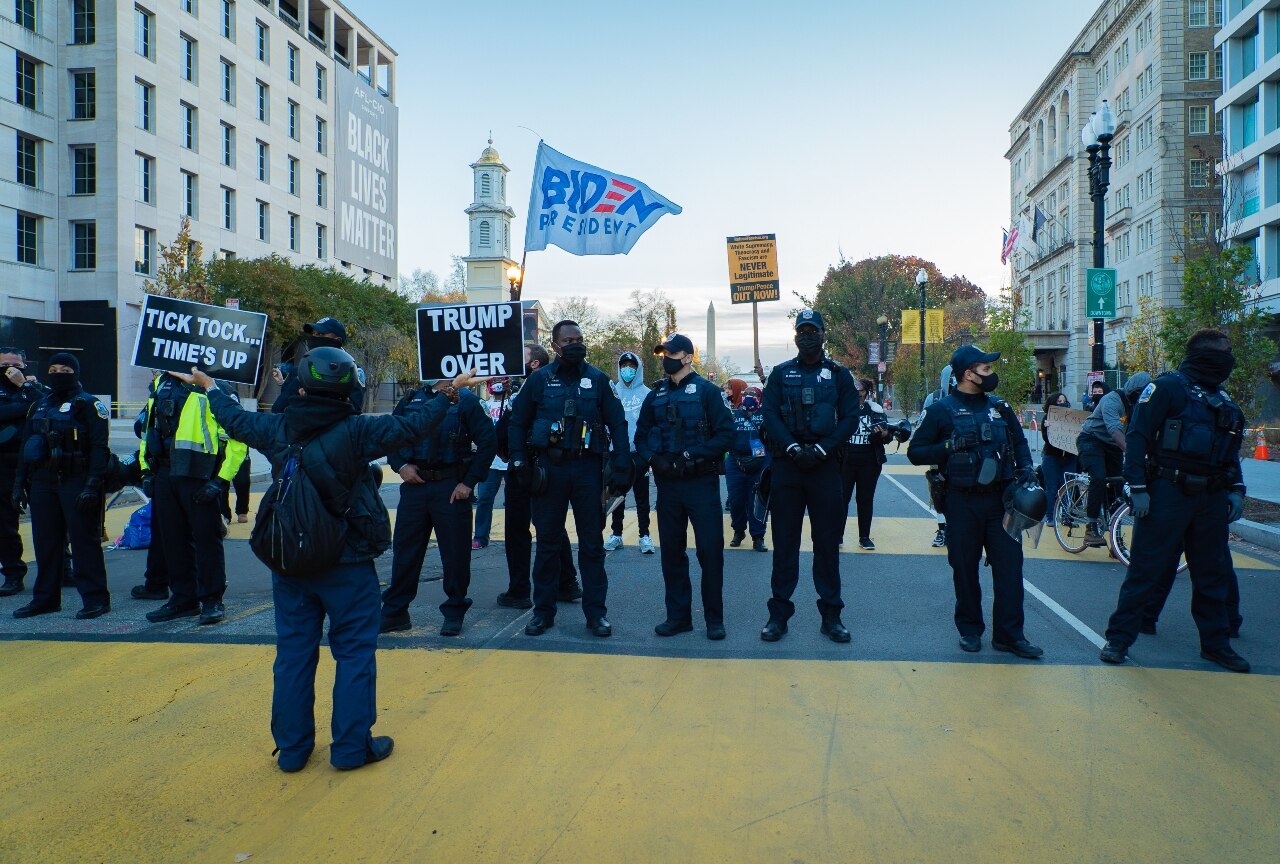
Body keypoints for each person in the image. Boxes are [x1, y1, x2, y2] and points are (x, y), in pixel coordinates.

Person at [176, 351, 477, 771]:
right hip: (347, 560)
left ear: (299, 388)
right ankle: (352, 749)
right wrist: (451, 390)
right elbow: (411, 425)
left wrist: (210, 386)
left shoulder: (276, 426)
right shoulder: (358, 432)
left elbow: (233, 419)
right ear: (349, 389)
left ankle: (293, 750)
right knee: (354, 654)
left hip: (291, 560)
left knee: (294, 655)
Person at [1099, 329, 1250, 672]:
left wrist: (1237, 490)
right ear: (1206, 355)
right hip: (1167, 492)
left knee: (1212, 574)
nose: (1229, 360)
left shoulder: (1225, 403)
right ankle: (1119, 640)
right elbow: (1137, 437)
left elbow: (1229, 455)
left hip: (1210, 497)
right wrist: (1136, 486)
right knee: (1147, 569)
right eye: (1224, 353)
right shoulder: (1166, 388)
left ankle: (1216, 644)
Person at [907, 345, 1044, 659]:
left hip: (1002, 502)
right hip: (961, 502)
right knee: (964, 569)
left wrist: (1027, 472)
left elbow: (1020, 443)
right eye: (984, 369)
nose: (990, 373)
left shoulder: (1001, 407)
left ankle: (1009, 636)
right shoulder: (941, 410)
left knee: (1010, 569)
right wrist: (948, 445)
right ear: (967, 374)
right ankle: (970, 630)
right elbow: (916, 452)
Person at [507, 321, 630, 637]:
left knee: (592, 545)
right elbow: (517, 423)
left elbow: (617, 423)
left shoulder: (598, 380)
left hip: (588, 471)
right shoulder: (539, 381)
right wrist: (520, 461)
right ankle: (543, 613)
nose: (576, 344)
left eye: (579, 339)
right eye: (568, 340)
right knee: (548, 543)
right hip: (550, 470)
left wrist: (622, 462)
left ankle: (596, 614)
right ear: (556, 344)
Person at [759, 309, 858, 644]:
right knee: (784, 543)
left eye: (812, 330)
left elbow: (850, 418)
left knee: (827, 545)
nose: (806, 335)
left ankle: (831, 616)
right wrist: (788, 448)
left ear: (822, 334)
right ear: (795, 336)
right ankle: (778, 616)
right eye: (801, 330)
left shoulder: (839, 375)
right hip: (787, 467)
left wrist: (823, 449)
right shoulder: (780, 374)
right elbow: (769, 413)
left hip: (825, 467)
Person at [634, 334, 734, 639]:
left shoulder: (707, 392)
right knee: (672, 554)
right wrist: (654, 459)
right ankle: (678, 617)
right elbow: (640, 437)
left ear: (688, 357)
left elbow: (726, 435)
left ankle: (714, 619)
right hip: (669, 487)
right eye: (663, 353)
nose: (666, 358)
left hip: (700, 483)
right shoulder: (656, 395)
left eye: (672, 353)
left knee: (710, 552)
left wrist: (693, 454)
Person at [380, 375, 495, 636]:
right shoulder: (411, 399)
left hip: (451, 486)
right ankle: (395, 612)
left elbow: (488, 443)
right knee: (405, 553)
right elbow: (392, 436)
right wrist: (400, 466)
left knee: (455, 554)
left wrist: (468, 483)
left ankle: (454, 610)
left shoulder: (467, 401)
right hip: (415, 485)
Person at [136, 371, 247, 625]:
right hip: (165, 474)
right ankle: (183, 600)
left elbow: (237, 439)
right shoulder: (160, 384)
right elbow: (148, 430)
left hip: (201, 476)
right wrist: (146, 470)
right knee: (172, 541)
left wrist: (220, 481)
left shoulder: (214, 388)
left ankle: (211, 600)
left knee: (207, 541)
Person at [10, 353, 111, 619]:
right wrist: (19, 485)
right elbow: (25, 448)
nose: (57, 373)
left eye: (64, 369)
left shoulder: (89, 405)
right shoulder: (40, 405)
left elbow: (100, 449)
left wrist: (92, 485)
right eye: (53, 369)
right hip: (43, 483)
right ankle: (45, 599)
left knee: (83, 543)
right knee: (46, 543)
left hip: (76, 481)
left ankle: (95, 599)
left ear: (75, 373)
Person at [496, 344, 583, 609]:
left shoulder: (536, 386)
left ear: (534, 364)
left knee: (519, 528)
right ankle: (566, 582)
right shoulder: (539, 384)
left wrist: (509, 450)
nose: (515, 361)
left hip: (528, 466)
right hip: (540, 465)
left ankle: (520, 589)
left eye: (522, 356)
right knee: (551, 526)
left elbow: (515, 424)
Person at [1075, 372, 1151, 547]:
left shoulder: (1137, 405)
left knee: (1118, 487)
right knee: (1099, 478)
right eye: (1139, 393)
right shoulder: (1112, 400)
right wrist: (1133, 454)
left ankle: (1115, 539)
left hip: (1112, 447)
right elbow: (1115, 429)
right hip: (1091, 440)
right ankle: (1091, 527)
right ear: (1132, 390)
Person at [0, 348, 44, 596]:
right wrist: (26, 404)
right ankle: (13, 574)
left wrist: (26, 390)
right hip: (4, 463)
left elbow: (46, 406)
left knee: (49, 518)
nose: (10, 370)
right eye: (5, 365)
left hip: (36, 463)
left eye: (15, 365)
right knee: (5, 522)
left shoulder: (35, 387)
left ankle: (63, 569)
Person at [605, 351, 654, 554]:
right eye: (624, 366)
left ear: (638, 368)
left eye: (632, 366)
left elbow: (652, 425)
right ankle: (617, 534)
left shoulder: (647, 394)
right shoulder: (612, 392)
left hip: (638, 454)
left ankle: (645, 535)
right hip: (617, 453)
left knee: (642, 498)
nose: (627, 370)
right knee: (618, 496)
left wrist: (647, 454)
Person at [272, 318, 364, 415]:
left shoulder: (351, 370)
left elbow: (355, 409)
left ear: (337, 340)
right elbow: (278, 409)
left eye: (320, 334)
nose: (314, 337)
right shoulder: (299, 371)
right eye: (313, 334)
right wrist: (300, 379)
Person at [842, 378, 893, 550]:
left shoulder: (875, 410)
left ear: (867, 392)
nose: (858, 394)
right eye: (854, 391)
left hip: (870, 462)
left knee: (865, 499)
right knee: (841, 499)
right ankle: (837, 536)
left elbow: (887, 437)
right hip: (845, 461)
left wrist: (884, 433)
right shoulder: (842, 408)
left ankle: (864, 537)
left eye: (861, 391)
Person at [725, 385, 768, 552]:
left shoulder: (765, 415)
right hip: (736, 462)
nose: (749, 397)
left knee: (756, 502)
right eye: (746, 394)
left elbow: (770, 439)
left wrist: (762, 459)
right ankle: (738, 531)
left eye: (754, 394)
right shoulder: (734, 414)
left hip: (759, 463)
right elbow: (726, 436)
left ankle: (758, 537)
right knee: (736, 500)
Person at [472, 377, 510, 549]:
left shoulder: (514, 402)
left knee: (515, 502)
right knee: (484, 500)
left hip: (509, 461)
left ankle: (514, 536)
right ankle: (480, 536)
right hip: (490, 462)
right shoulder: (483, 405)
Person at [921, 365, 954, 548]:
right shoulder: (933, 399)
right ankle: (942, 530)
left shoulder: (971, 398)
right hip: (939, 454)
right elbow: (923, 423)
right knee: (938, 491)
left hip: (963, 456)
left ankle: (956, 529)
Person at [1039, 392, 1076, 525]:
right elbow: (1046, 438)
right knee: (1051, 488)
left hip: (1069, 457)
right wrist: (1047, 427)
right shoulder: (1047, 419)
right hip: (1052, 457)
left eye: (1064, 401)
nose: (1062, 403)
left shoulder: (1072, 418)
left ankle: (1066, 516)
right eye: (1059, 401)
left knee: (1067, 487)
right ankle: (1050, 517)